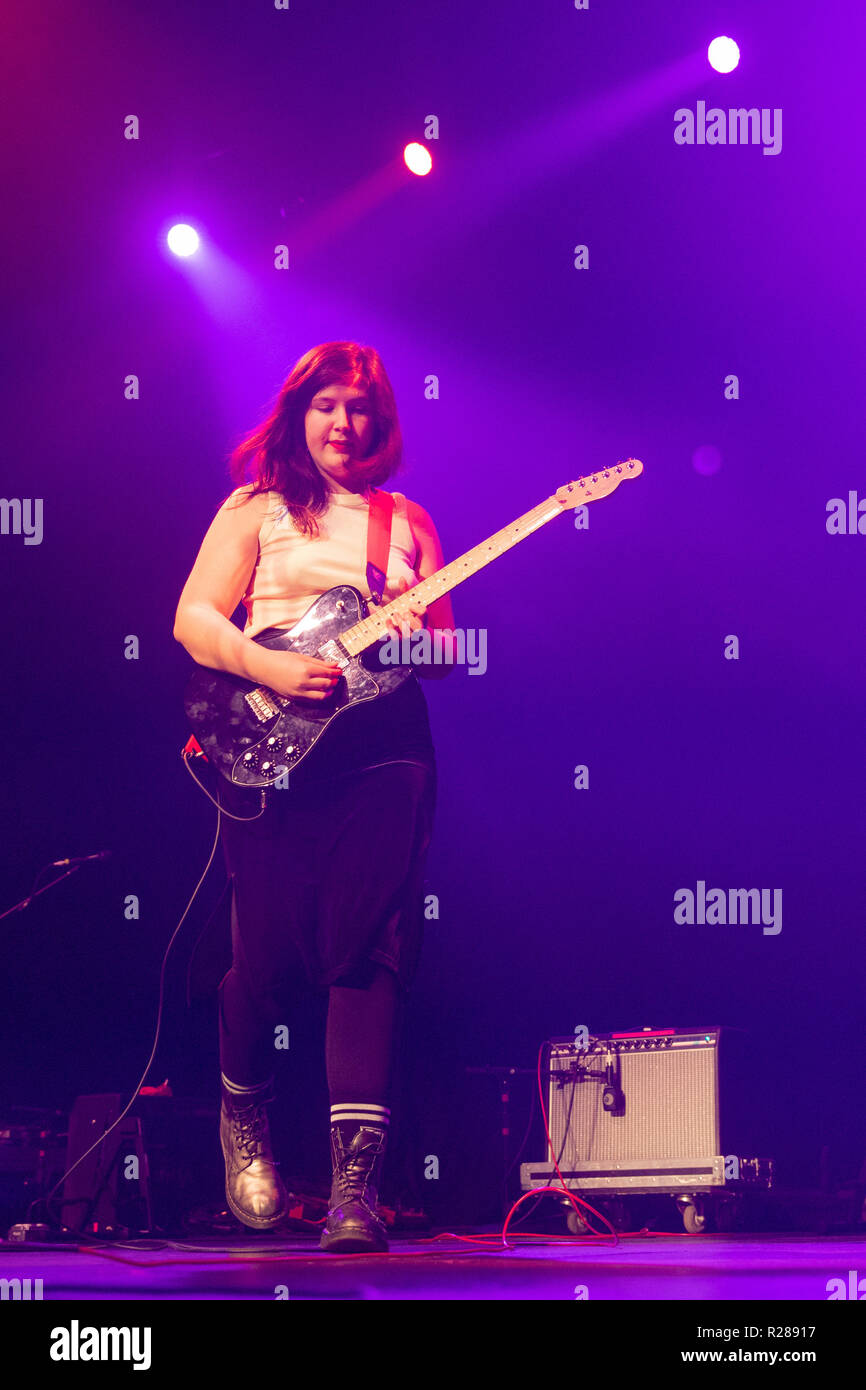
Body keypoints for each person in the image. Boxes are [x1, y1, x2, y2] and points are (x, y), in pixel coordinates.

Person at [173, 341, 456, 1253]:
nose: (345, 422)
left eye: (362, 409)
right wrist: (269, 665)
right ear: (300, 413)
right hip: (271, 748)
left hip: (384, 754)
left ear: (382, 424)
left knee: (368, 953)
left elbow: (447, 657)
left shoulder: (406, 520)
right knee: (266, 962)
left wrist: (417, 631)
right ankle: (244, 1114)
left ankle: (352, 1192)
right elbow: (194, 620)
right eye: (328, 404)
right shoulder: (257, 507)